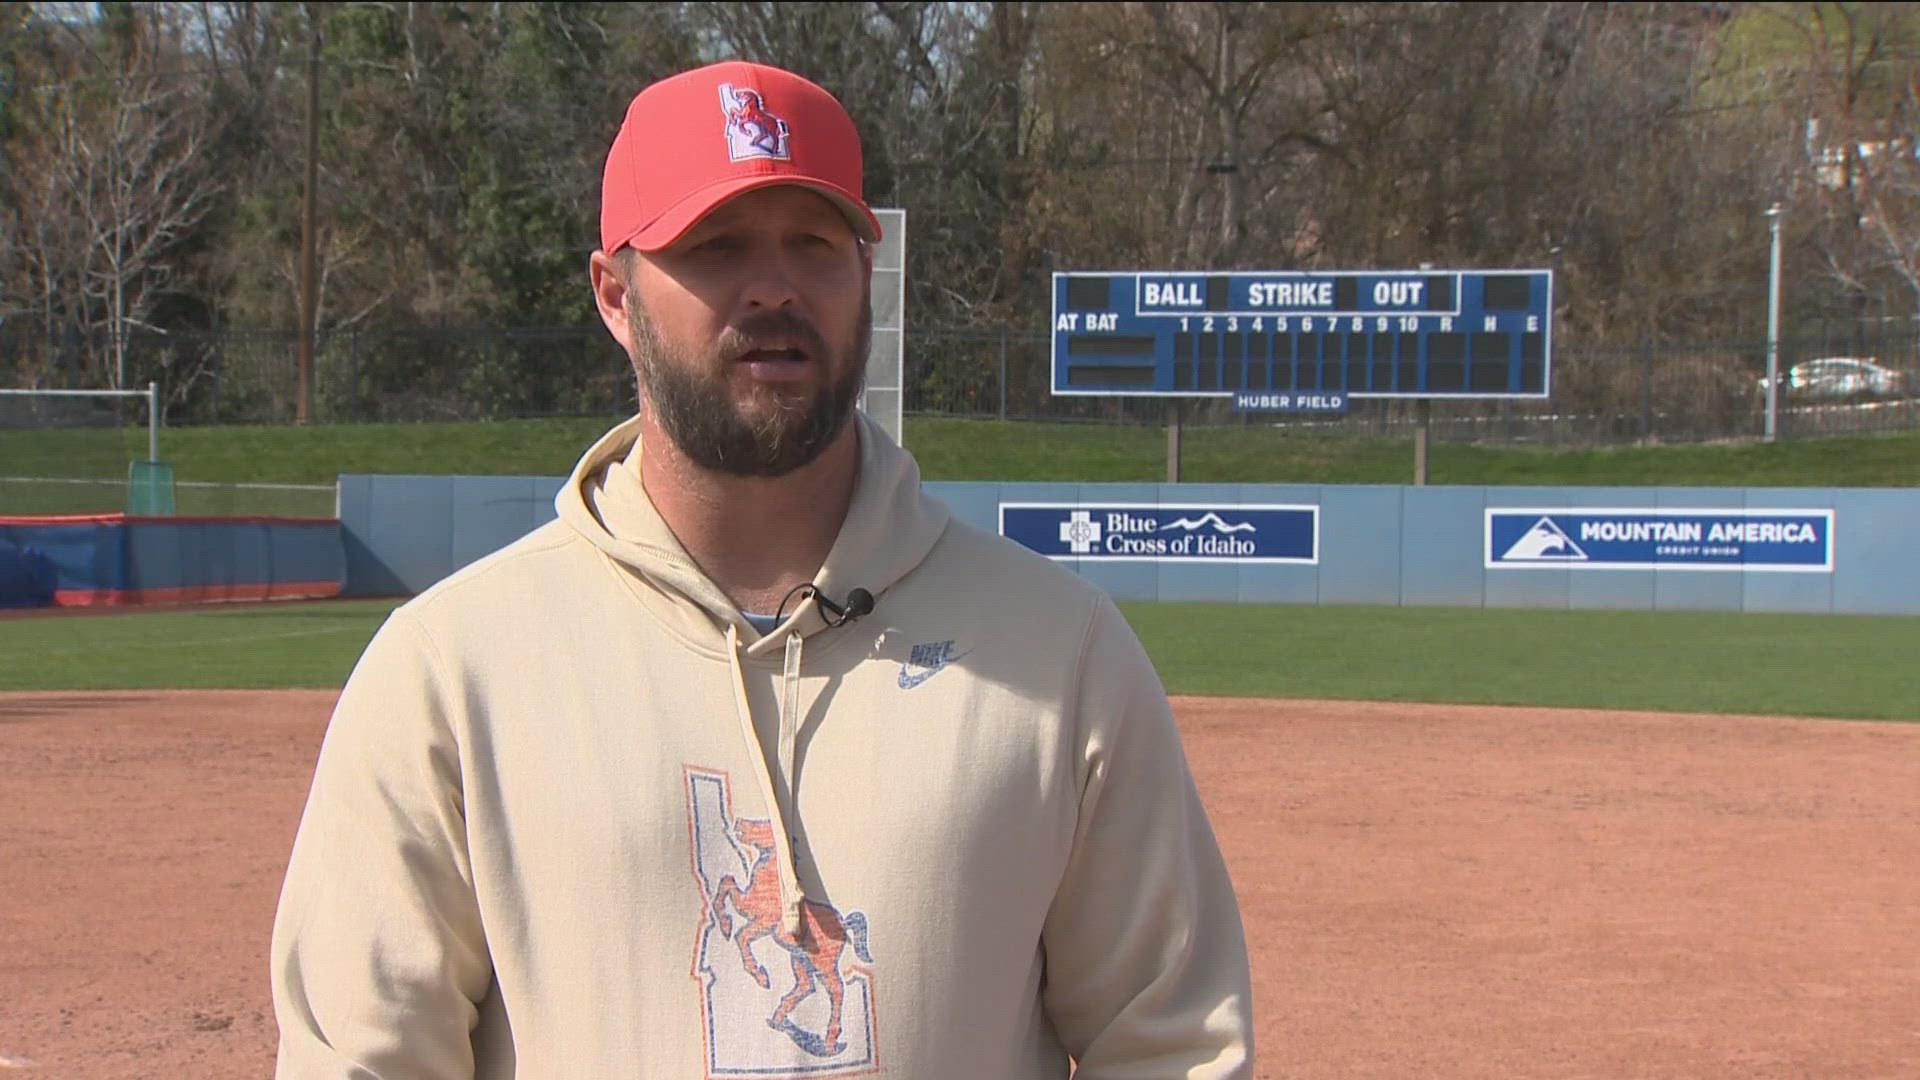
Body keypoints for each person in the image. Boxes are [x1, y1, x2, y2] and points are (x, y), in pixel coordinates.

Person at [270, 59, 1254, 1079]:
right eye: (717, 243)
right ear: (615, 294)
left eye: (814, 244)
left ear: (862, 278)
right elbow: (366, 1060)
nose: (775, 285)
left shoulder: (1060, 651)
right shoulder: (453, 670)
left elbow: (1171, 1045)